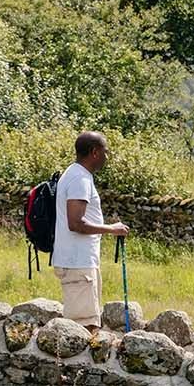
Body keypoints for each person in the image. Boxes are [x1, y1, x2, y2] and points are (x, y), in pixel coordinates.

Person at [52, 131, 128, 329]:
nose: (107, 157)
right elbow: (76, 223)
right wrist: (112, 229)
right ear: (95, 152)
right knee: (84, 328)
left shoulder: (76, 174)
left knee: (88, 322)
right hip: (78, 264)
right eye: (105, 152)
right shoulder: (80, 179)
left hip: (80, 262)